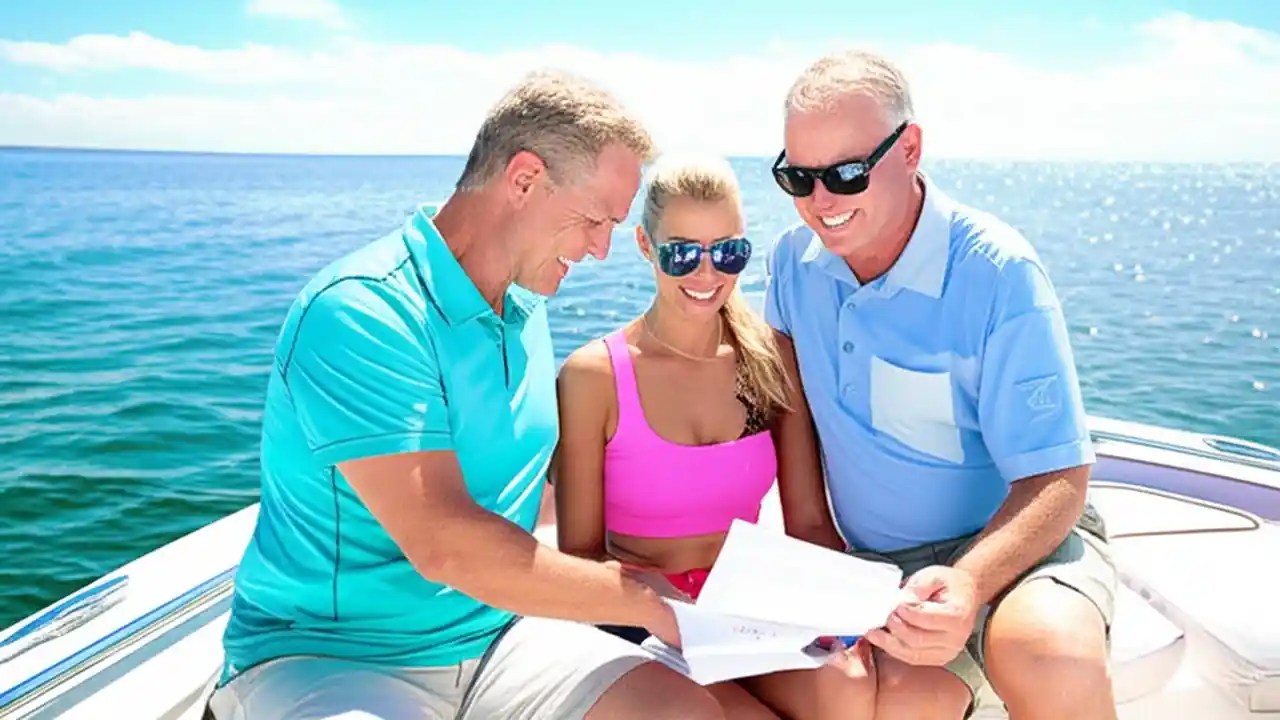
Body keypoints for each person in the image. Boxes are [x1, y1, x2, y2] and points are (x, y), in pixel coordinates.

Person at [207, 70, 728, 720]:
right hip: (331, 657)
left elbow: (522, 496)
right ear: (524, 180)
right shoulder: (359, 313)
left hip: (497, 636)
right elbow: (444, 541)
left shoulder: (523, 306)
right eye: (594, 220)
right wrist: (646, 597)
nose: (600, 250)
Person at [763, 49, 1118, 720]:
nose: (821, 202)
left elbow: (1060, 479)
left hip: (1017, 547)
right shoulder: (791, 265)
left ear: (910, 150)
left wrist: (969, 582)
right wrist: (823, 567)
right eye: (798, 178)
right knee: (898, 700)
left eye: (844, 174)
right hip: (880, 572)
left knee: (1052, 656)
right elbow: (795, 421)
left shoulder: (1001, 272)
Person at [553, 153, 878, 720]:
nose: (707, 275)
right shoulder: (593, 377)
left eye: (727, 251)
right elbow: (579, 557)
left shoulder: (772, 359)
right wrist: (665, 608)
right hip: (642, 617)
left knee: (846, 687)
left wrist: (850, 611)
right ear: (646, 247)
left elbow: (806, 523)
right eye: (682, 254)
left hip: (747, 611)